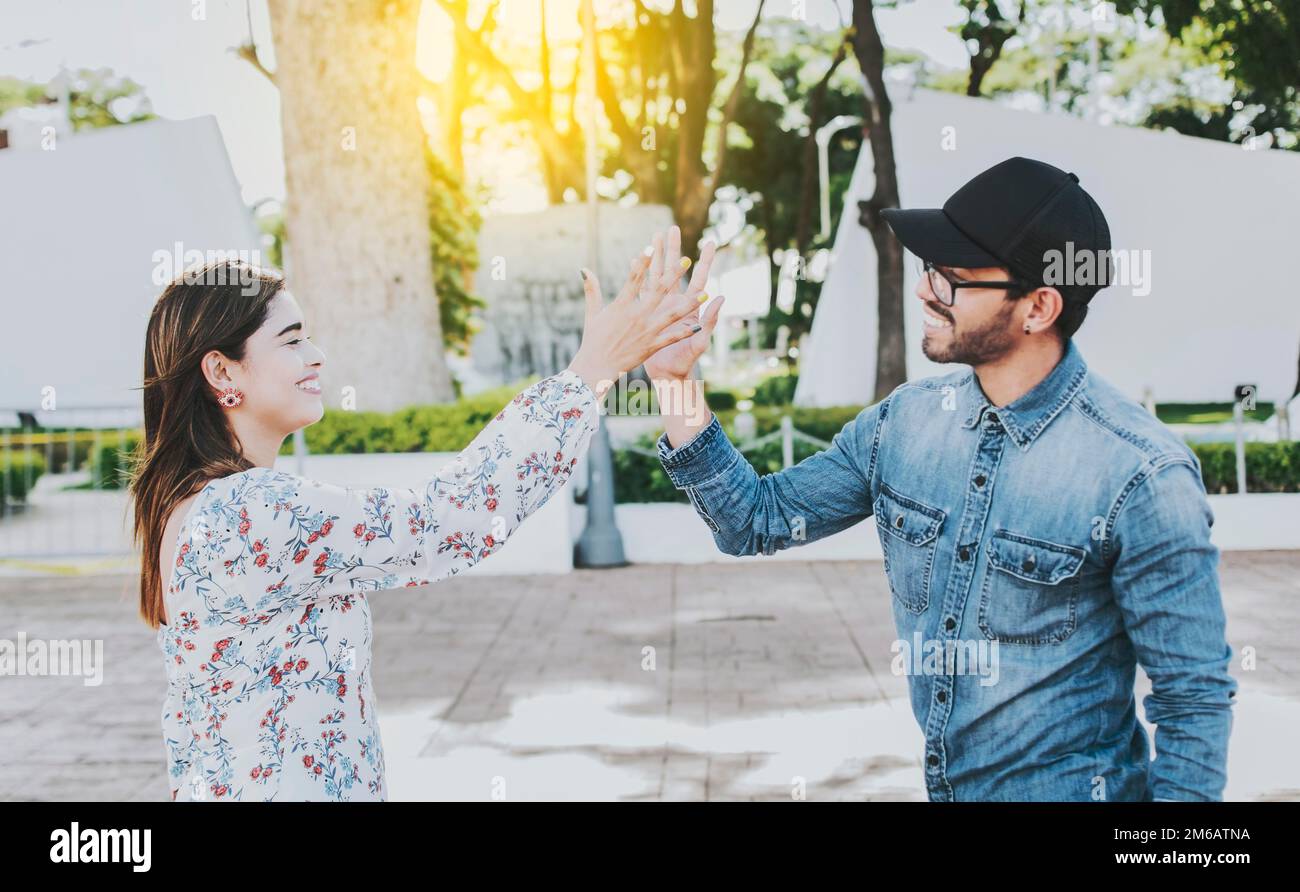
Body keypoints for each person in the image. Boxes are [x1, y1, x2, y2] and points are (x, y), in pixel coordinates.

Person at [646, 158, 1237, 801]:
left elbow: (1193, 702)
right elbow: (752, 521)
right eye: (930, 268)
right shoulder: (905, 423)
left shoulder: (1140, 473)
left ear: (1039, 305)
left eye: (953, 279)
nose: (926, 291)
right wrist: (676, 389)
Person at [133, 230, 716, 801]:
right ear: (222, 372)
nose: (317, 356)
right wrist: (593, 371)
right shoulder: (245, 511)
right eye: (291, 341)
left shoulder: (195, 506)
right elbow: (448, 521)